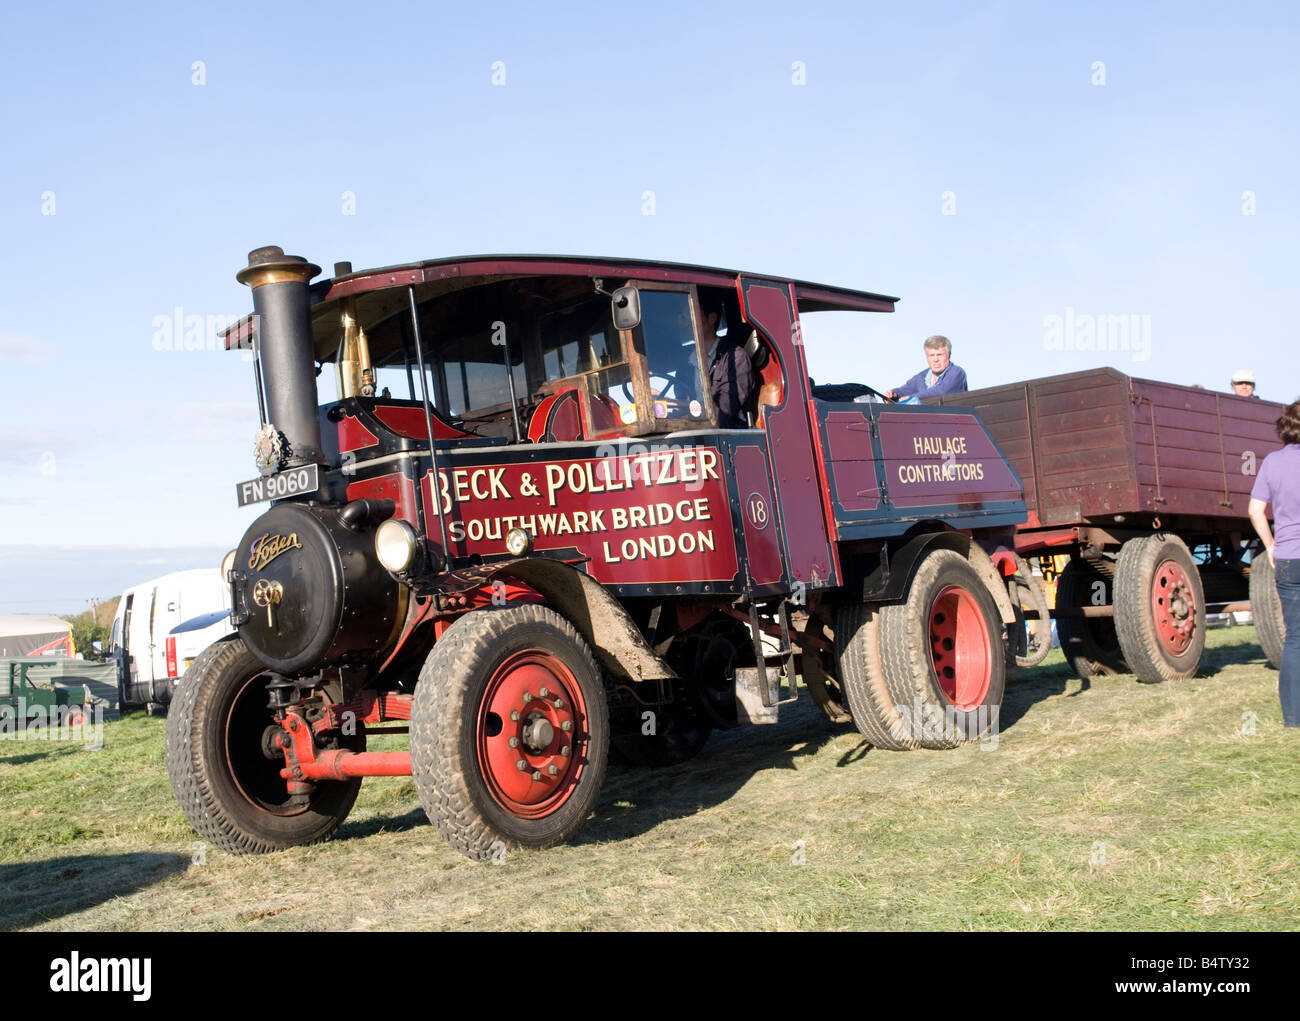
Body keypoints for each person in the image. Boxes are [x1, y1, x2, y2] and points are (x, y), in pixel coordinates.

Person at [1248, 398, 1300, 728]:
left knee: (1295, 637)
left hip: (1288, 557)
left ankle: (1293, 718)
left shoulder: (1272, 462)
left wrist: (1270, 545)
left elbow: (1255, 510)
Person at [695, 291, 756, 428]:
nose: (683, 319)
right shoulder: (685, 364)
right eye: (682, 315)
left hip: (729, 440)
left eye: (690, 313)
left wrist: (686, 413)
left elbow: (724, 411)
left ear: (711, 318)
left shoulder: (736, 358)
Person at [885, 335, 968, 401]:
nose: (935, 359)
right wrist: (893, 394)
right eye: (931, 355)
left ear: (949, 356)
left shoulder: (957, 373)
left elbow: (942, 391)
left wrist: (912, 398)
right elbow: (905, 390)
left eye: (939, 355)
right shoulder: (921, 377)